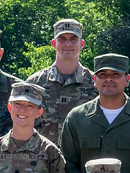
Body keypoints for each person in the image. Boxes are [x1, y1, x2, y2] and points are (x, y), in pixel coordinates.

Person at [28, 18, 94, 148]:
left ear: (82, 44)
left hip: (81, 157)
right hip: (43, 157)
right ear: (53, 43)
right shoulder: (35, 83)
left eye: (73, 39)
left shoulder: (95, 83)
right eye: (62, 39)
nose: (68, 44)